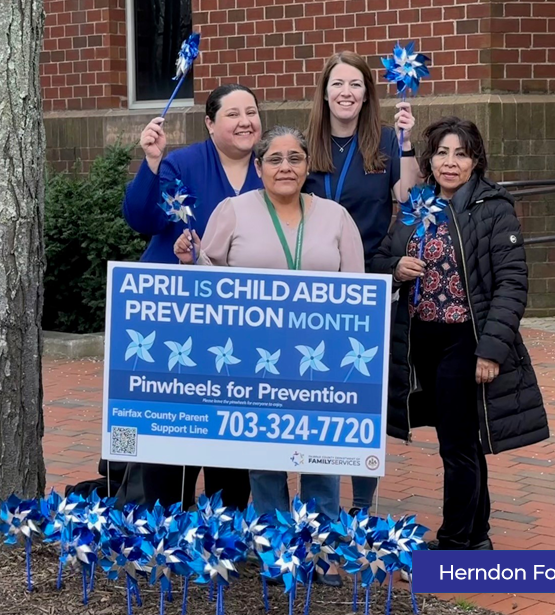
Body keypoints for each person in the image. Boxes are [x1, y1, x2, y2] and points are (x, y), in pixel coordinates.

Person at [369, 117, 549, 551]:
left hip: (464, 340)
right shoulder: (417, 202)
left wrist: (490, 351)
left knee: (457, 444)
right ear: (429, 158)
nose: (451, 162)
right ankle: (476, 535)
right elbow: (378, 259)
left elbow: (512, 284)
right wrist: (396, 270)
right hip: (421, 340)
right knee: (461, 439)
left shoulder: (493, 207)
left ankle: (454, 541)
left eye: (461, 154)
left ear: (475, 160)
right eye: (443, 153)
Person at [194, 126, 363, 586]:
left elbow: (358, 291)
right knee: (265, 463)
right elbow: (205, 280)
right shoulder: (232, 211)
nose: (285, 167)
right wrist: (189, 258)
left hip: (320, 362)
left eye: (294, 158)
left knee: (322, 461)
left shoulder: (335, 216)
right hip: (256, 363)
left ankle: (322, 553)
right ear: (259, 166)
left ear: (308, 166)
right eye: (274, 159)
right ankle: (276, 554)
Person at [117, 83, 263, 511]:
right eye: (232, 114)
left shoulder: (271, 168)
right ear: (210, 122)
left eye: (251, 112)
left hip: (241, 325)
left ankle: (226, 525)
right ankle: (165, 524)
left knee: (230, 428)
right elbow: (142, 217)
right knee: (172, 428)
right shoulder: (181, 164)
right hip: (176, 319)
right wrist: (151, 161)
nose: (244, 122)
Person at [301, 51, 420, 515]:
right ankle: (318, 500)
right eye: (337, 84)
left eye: (355, 84)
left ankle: (361, 505)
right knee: (316, 391)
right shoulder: (305, 143)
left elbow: (408, 196)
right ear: (325, 92)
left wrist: (408, 142)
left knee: (360, 394)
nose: (346, 92)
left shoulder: (387, 142)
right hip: (312, 281)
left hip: (367, 281)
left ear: (368, 93)